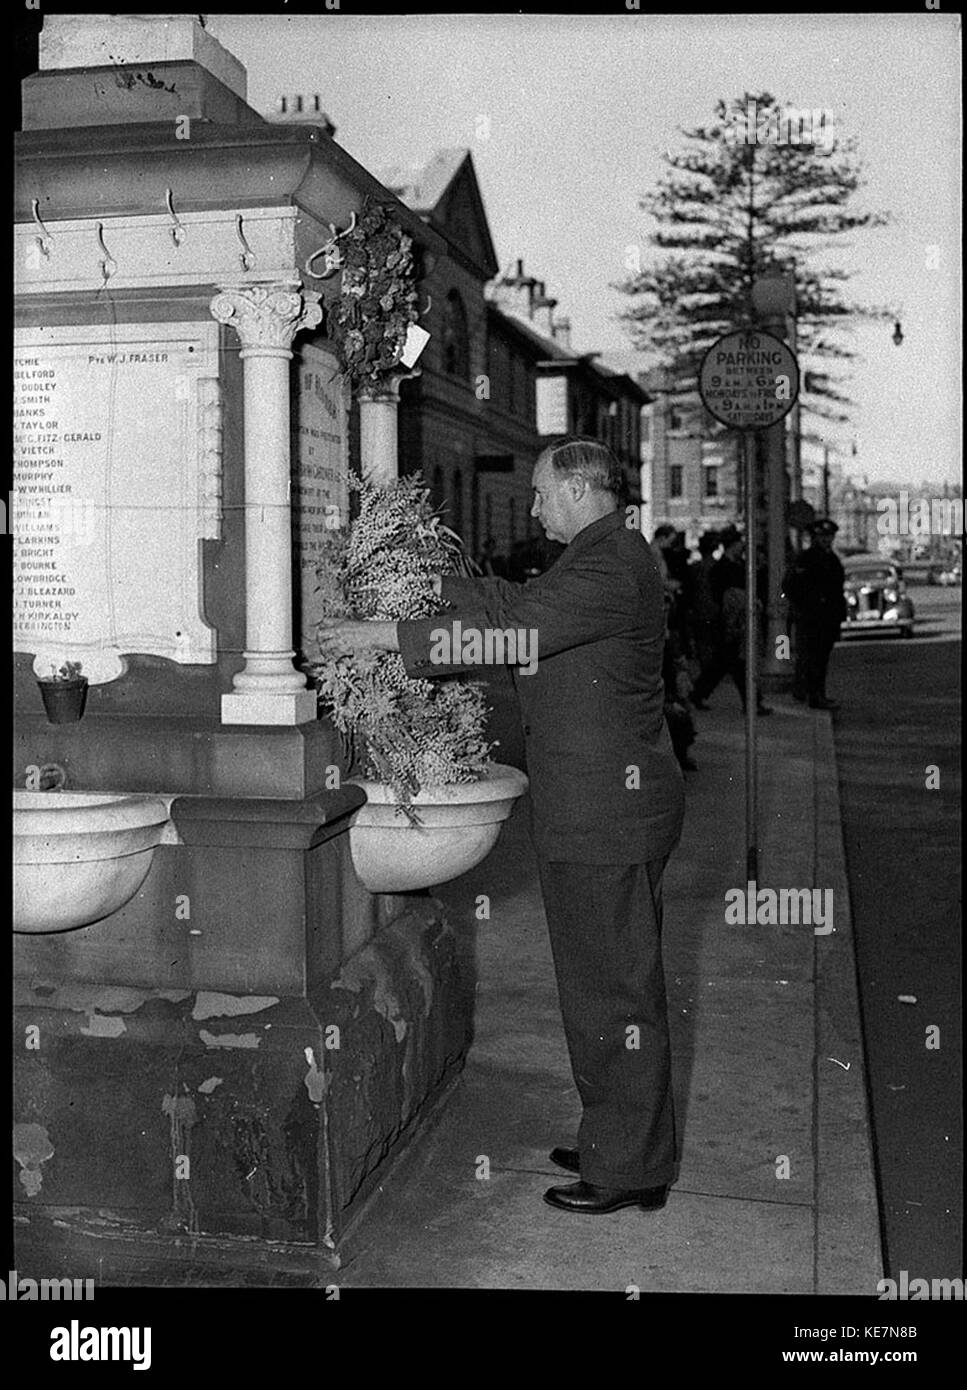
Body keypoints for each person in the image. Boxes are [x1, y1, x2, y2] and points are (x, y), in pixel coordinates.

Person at [317, 437, 685, 1216]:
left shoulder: (610, 566)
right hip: (601, 809)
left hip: (606, 815)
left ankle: (628, 1168)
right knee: (601, 981)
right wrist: (417, 582)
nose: (532, 507)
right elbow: (512, 606)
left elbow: (510, 633)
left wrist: (383, 636)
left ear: (581, 490)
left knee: (611, 990)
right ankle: (618, 1140)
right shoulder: (600, 553)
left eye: (542, 493)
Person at [689, 525, 773, 715]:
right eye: (739, 544)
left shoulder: (737, 565)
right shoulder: (722, 568)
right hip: (729, 623)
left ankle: (698, 694)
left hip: (737, 623)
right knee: (737, 664)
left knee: (723, 664)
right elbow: (723, 595)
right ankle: (752, 702)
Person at [784, 518, 846, 710]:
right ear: (814, 538)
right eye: (823, 537)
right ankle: (813, 695)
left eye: (829, 537)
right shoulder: (807, 559)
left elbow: (837, 590)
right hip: (812, 618)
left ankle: (816, 693)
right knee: (811, 658)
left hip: (829, 618)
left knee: (821, 659)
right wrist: (810, 604)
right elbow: (792, 587)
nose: (827, 540)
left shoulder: (832, 558)